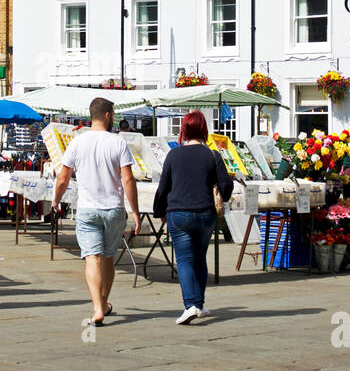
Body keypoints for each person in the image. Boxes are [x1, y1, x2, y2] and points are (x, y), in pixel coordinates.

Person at [52, 97, 140, 326]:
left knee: (92, 257)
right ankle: (105, 299)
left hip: (88, 208)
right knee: (109, 256)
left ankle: (97, 307)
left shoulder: (77, 143)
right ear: (108, 115)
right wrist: (136, 212)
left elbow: (63, 178)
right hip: (113, 208)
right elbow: (128, 179)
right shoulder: (117, 142)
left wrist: (56, 200)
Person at [152, 111, 233, 324]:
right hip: (205, 213)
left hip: (179, 213)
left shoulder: (173, 155)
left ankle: (190, 305)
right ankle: (199, 303)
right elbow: (226, 184)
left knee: (185, 260)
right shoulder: (212, 155)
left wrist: (159, 212)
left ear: (184, 130)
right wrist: (221, 195)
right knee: (199, 258)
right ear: (204, 130)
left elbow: (163, 189)